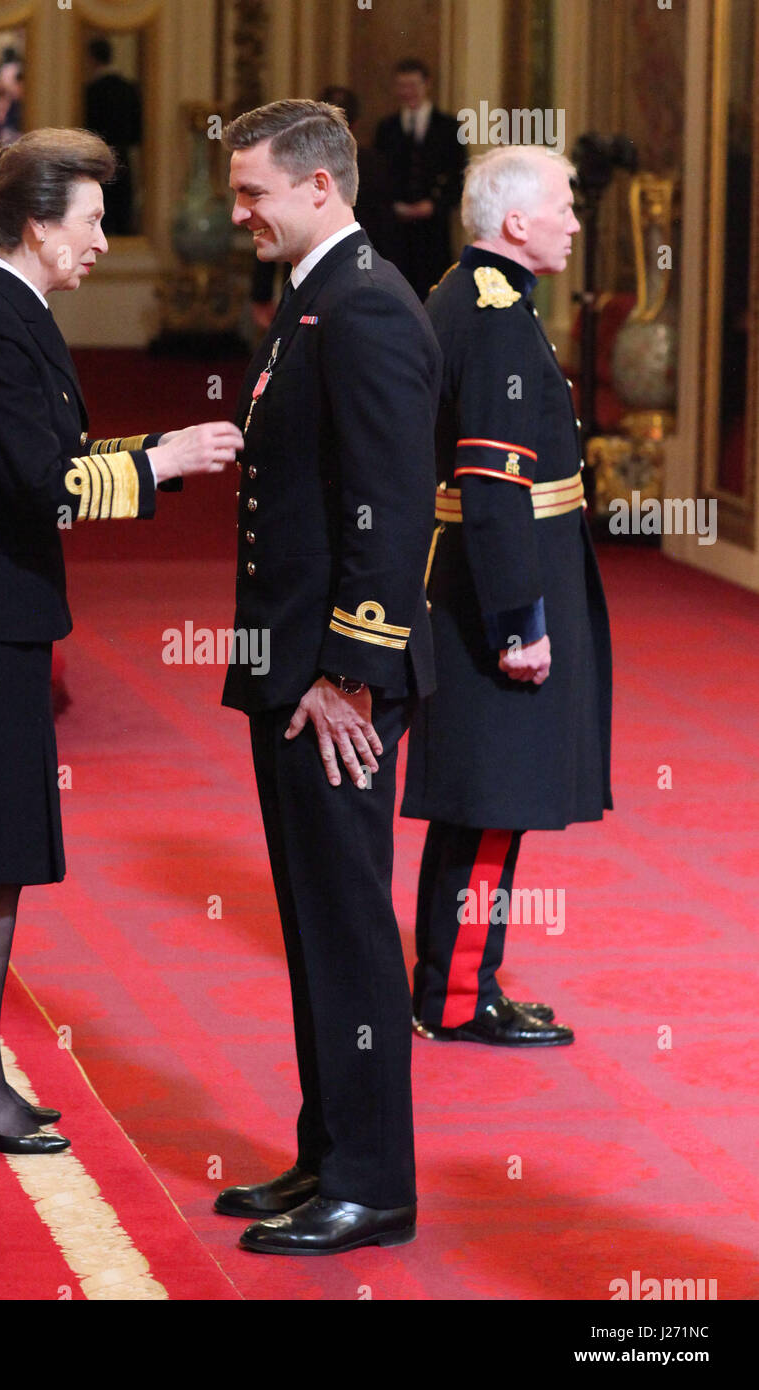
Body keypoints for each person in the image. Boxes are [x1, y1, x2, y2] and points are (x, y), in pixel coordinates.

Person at [0, 129, 241, 1155]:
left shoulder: (10, 313)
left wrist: (158, 460)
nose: (100, 240)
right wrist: (163, 459)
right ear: (38, 225)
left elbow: (55, 457)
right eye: (89, 221)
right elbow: (45, 484)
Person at [215, 100, 441, 1255]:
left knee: (349, 928)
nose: (237, 209)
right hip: (289, 671)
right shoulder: (316, 295)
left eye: (252, 190)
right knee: (314, 923)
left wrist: (351, 672)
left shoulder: (363, 308)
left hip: (333, 686)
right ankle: (326, 1154)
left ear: (320, 187)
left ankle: (374, 1182)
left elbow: (393, 512)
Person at [400, 144, 612, 1046]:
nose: (574, 219)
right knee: (491, 801)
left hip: (490, 578)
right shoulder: (490, 318)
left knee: (484, 802)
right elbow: (491, 490)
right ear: (516, 223)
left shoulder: (477, 296)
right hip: (501, 587)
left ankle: (462, 982)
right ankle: (455, 998)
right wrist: (520, 625)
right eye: (563, 205)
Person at [250, 85, 398, 333]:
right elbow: (390, 236)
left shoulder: (291, 165)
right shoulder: (377, 165)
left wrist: (261, 292)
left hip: (316, 284)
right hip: (359, 279)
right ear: (357, 124)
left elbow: (270, 223)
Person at [374, 58, 467, 299]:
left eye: (413, 85)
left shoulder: (448, 127)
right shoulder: (387, 128)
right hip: (396, 232)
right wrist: (394, 206)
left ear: (427, 85)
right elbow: (380, 176)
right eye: (402, 86)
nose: (408, 92)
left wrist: (435, 205)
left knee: (434, 291)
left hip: (435, 230)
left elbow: (461, 177)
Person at [83, 38, 142, 235]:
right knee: (123, 208)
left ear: (92, 59)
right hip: (123, 156)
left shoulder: (92, 91)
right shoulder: (128, 87)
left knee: (103, 210)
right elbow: (137, 131)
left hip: (98, 159)